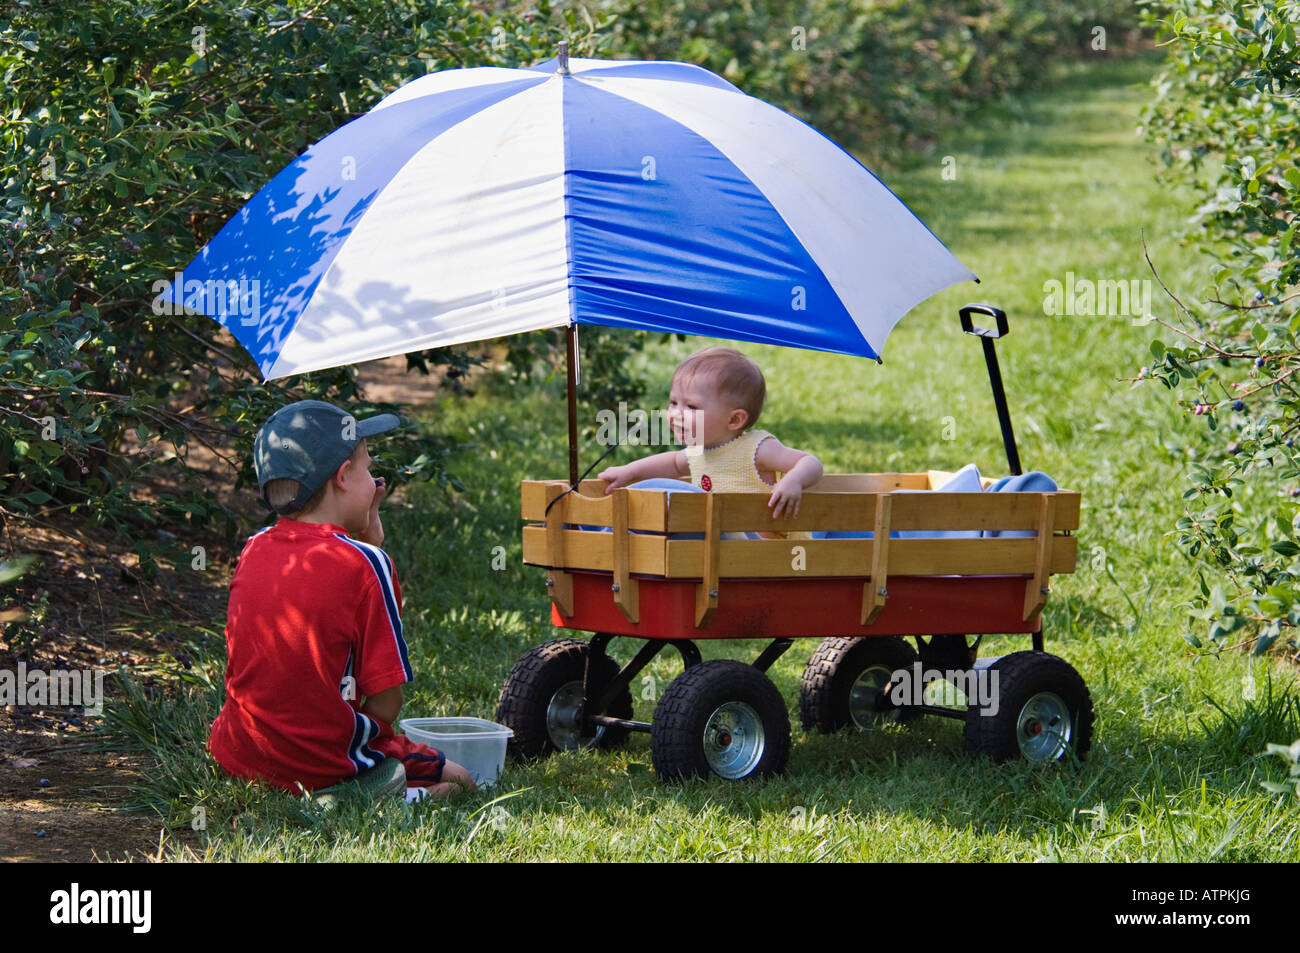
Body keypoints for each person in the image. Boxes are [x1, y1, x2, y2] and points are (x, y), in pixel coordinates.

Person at [208, 399, 475, 802]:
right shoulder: (367, 565)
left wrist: (366, 544)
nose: (375, 480)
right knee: (460, 780)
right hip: (319, 763)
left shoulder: (254, 547)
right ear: (343, 477)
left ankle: (334, 787)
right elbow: (386, 701)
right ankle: (352, 797)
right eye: (368, 468)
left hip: (239, 750)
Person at [597, 347, 823, 529]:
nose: (676, 413)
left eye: (692, 406)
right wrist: (630, 472)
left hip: (758, 548)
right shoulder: (698, 451)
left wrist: (793, 480)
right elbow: (672, 462)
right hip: (713, 544)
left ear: (734, 420)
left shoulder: (756, 449)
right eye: (674, 403)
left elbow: (810, 462)